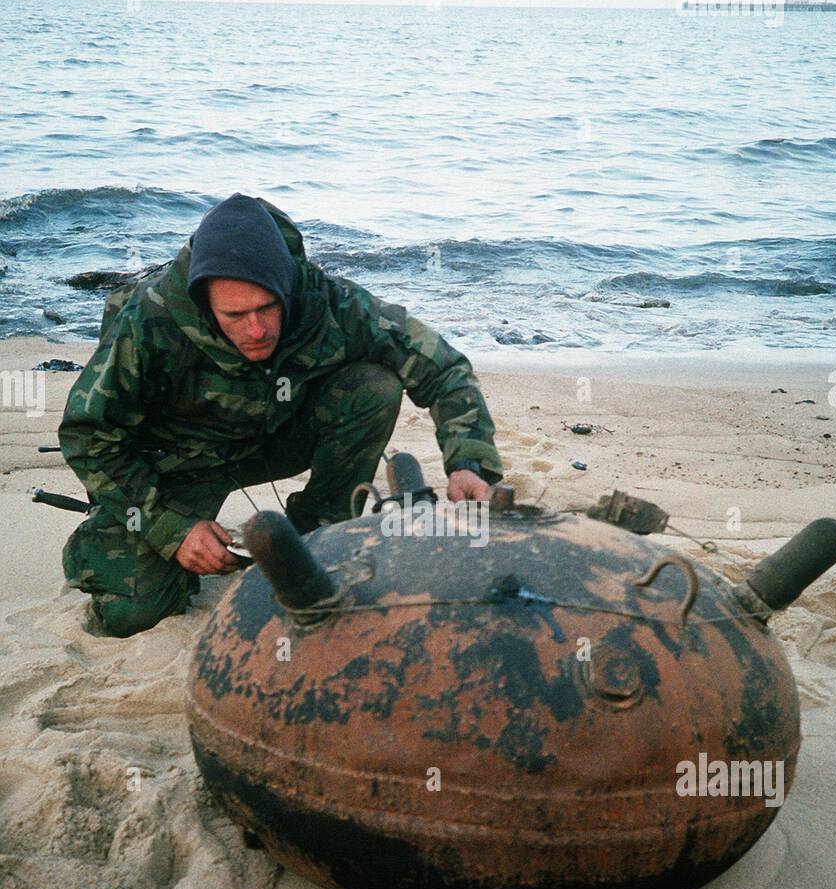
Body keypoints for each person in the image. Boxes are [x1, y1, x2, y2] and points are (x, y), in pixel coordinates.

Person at [59, 193, 503, 637]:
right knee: (130, 616)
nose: (256, 330)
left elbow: (442, 366)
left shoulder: (327, 302)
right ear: (205, 303)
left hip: (273, 439)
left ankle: (321, 529)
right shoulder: (148, 322)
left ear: (286, 287)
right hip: (179, 464)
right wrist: (172, 531)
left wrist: (468, 463)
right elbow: (88, 434)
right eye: (235, 315)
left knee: (374, 386)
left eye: (267, 308)